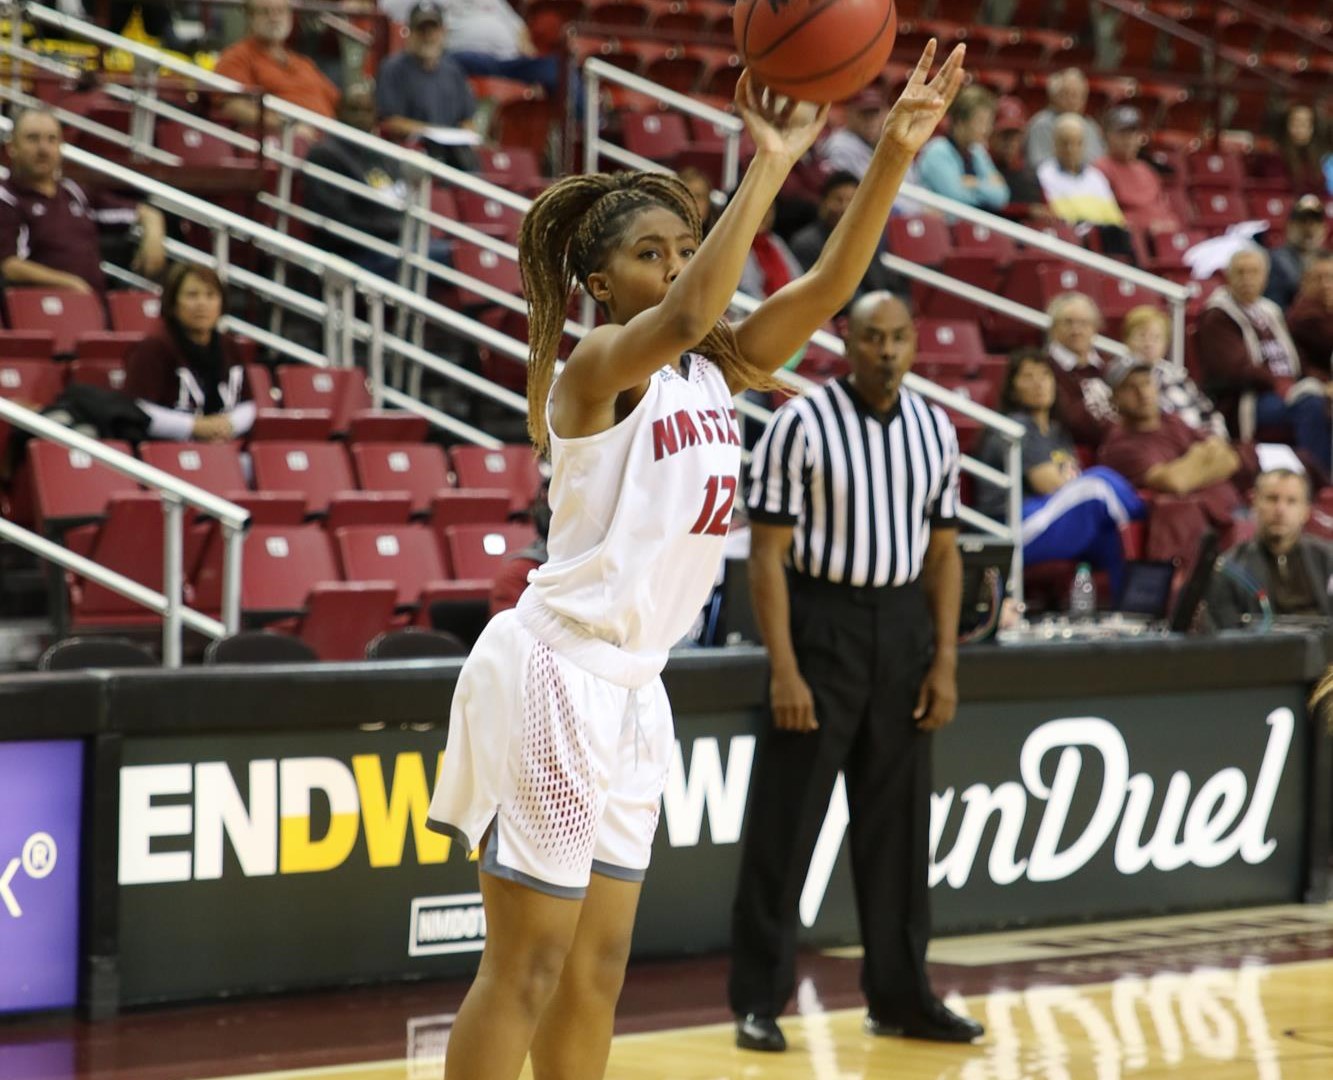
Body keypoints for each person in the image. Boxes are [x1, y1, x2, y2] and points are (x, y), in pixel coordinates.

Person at [424, 43, 967, 1080]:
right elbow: (684, 316)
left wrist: (893, 154)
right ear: (596, 281)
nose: (674, 270)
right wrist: (765, 164)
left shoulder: (713, 375)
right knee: (528, 963)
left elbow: (828, 284)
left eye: (684, 249)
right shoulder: (593, 368)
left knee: (598, 968)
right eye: (651, 253)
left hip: (634, 687)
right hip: (556, 669)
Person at [730, 289, 980, 1052]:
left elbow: (943, 554)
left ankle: (901, 998)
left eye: (898, 338)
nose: (886, 352)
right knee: (786, 822)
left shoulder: (935, 429)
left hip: (903, 627)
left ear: (913, 342)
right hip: (820, 625)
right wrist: (783, 669)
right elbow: (765, 557)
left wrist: (943, 661)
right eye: (872, 338)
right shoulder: (799, 423)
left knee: (899, 832)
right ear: (845, 340)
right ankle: (757, 1000)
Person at [974, 350, 1142, 592]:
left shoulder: (1057, 433)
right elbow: (1050, 484)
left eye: (1045, 375)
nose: (1039, 383)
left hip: (1047, 517)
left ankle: (1132, 609)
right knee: (1098, 484)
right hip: (1012, 525)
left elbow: (1069, 486)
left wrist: (1072, 483)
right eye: (1028, 377)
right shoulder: (1014, 427)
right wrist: (1074, 483)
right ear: (1012, 388)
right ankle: (1146, 515)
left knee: (1109, 535)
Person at [0, 108, 166, 297]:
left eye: (51, 139)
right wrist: (70, 284)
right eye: (32, 138)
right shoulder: (6, 197)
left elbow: (139, 211)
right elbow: (8, 265)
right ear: (11, 147)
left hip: (92, 307)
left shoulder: (74, 192)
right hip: (42, 307)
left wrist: (153, 230)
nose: (43, 149)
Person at [1100, 358, 1253, 556]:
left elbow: (1229, 459)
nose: (1142, 393)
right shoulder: (1119, 445)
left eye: (1147, 383)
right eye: (1131, 387)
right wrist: (1198, 454)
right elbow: (1175, 483)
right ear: (1114, 399)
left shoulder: (1172, 421)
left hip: (1230, 513)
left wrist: (1188, 469)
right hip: (1196, 533)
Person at [1196, 246, 1329, 470]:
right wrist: (1284, 386)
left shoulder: (1271, 311)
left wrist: (1322, 384)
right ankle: (1320, 480)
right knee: (1311, 405)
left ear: (1265, 277)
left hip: (1287, 390)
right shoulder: (1217, 316)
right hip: (1249, 399)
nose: (1247, 279)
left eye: (1254, 272)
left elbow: (1298, 359)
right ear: (1228, 277)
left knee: (1324, 400)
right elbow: (1236, 369)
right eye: (1240, 272)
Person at [304, 83, 454, 279]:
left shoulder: (382, 153)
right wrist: (395, 227)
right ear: (338, 111)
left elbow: (401, 197)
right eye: (353, 110)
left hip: (397, 243)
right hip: (357, 253)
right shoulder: (325, 154)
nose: (360, 117)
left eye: (367, 111)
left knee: (460, 254)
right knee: (446, 256)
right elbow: (335, 222)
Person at [123, 264, 255, 442]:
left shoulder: (229, 345)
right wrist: (194, 426)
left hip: (226, 448)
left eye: (210, 295)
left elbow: (249, 403)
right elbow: (138, 409)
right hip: (167, 451)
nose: (202, 304)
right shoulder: (154, 347)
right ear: (173, 302)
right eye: (192, 295)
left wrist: (228, 425)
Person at [1208, 469, 1333, 627]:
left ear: (1306, 512)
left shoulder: (1328, 559)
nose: (1280, 510)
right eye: (1272, 499)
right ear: (1254, 503)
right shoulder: (1229, 569)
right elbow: (1225, 638)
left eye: (1291, 501)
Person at [215, 0, 340, 130]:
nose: (274, 17)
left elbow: (337, 102)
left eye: (280, 11)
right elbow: (232, 106)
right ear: (250, 18)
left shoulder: (303, 62)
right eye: (265, 12)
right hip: (289, 142)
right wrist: (288, 128)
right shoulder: (237, 57)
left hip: (333, 135)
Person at [789, 170, 899, 304]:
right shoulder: (806, 244)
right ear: (823, 203)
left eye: (852, 201)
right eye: (838, 200)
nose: (845, 207)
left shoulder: (866, 237)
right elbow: (821, 296)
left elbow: (887, 284)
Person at [375, 2, 478, 143]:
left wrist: (466, 135)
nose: (427, 36)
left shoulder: (454, 71)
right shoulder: (393, 69)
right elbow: (390, 121)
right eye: (421, 30)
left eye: (433, 29)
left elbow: (468, 120)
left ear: (443, 31)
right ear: (409, 33)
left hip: (450, 153)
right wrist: (433, 133)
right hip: (410, 152)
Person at [1037, 114, 1134, 259]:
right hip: (1073, 239)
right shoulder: (1045, 172)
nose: (1070, 149)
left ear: (1083, 145)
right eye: (1065, 143)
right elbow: (1060, 213)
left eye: (1076, 143)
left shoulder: (1096, 176)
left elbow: (1115, 217)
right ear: (1054, 144)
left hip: (1103, 237)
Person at [1122, 304, 1227, 438]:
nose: (1149, 344)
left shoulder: (1178, 377)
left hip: (1199, 444)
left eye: (1156, 338)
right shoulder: (1121, 379)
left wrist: (1216, 441)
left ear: (1165, 345)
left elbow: (1209, 413)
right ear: (1127, 340)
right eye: (1142, 336)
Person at [916, 85, 1009, 210]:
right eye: (980, 122)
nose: (986, 130)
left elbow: (1002, 196)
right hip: (941, 226)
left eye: (989, 123)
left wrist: (974, 183)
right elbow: (956, 198)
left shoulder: (978, 152)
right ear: (960, 122)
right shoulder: (936, 151)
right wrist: (987, 186)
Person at [442, 0, 562, 97]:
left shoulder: (496, 2)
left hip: (509, 62)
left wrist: (533, 66)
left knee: (556, 68)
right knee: (462, 59)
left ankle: (577, 122)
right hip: (469, 56)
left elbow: (521, 30)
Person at [1044, 291, 1115, 448]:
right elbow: (1071, 420)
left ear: (1095, 328)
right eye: (1068, 322)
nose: (1076, 330)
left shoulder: (1109, 366)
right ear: (1054, 328)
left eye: (1084, 323)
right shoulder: (1045, 368)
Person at [1095, 105, 1181, 234]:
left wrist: (1169, 223)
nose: (1129, 139)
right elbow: (1105, 216)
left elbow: (1164, 207)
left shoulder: (1146, 169)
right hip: (1131, 241)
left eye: (1133, 133)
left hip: (1161, 237)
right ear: (1107, 136)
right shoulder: (1099, 169)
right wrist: (1143, 227)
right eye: (1122, 133)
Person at [1024, 68, 1106, 171]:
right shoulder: (1041, 124)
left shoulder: (1091, 126)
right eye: (1065, 94)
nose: (1071, 101)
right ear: (1053, 97)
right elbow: (1040, 166)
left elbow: (1101, 163)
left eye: (1076, 95)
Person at [1265, 194, 1328, 311]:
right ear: (1290, 226)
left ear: (1324, 228)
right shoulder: (1276, 260)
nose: (1309, 229)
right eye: (1303, 222)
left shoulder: (1327, 258)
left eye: (1315, 222)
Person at [1254, 104, 1331, 197]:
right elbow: (1277, 191)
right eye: (1296, 123)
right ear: (1286, 125)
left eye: (1307, 124)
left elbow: (1323, 192)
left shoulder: (1315, 158)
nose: (1301, 129)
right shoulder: (1274, 157)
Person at [818, 86, 887, 180]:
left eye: (875, 113)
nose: (871, 120)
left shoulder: (879, 143)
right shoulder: (840, 145)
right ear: (849, 113)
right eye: (864, 114)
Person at [989, 95, 1045, 210]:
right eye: (1005, 135)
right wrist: (1025, 211)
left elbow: (1045, 210)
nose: (1010, 143)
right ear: (991, 134)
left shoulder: (1030, 176)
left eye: (1015, 136)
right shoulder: (980, 168)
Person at [1288, 252, 1333, 381]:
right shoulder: (1304, 315)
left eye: (1330, 278)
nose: (1326, 285)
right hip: (1315, 382)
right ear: (1305, 283)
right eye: (1318, 279)